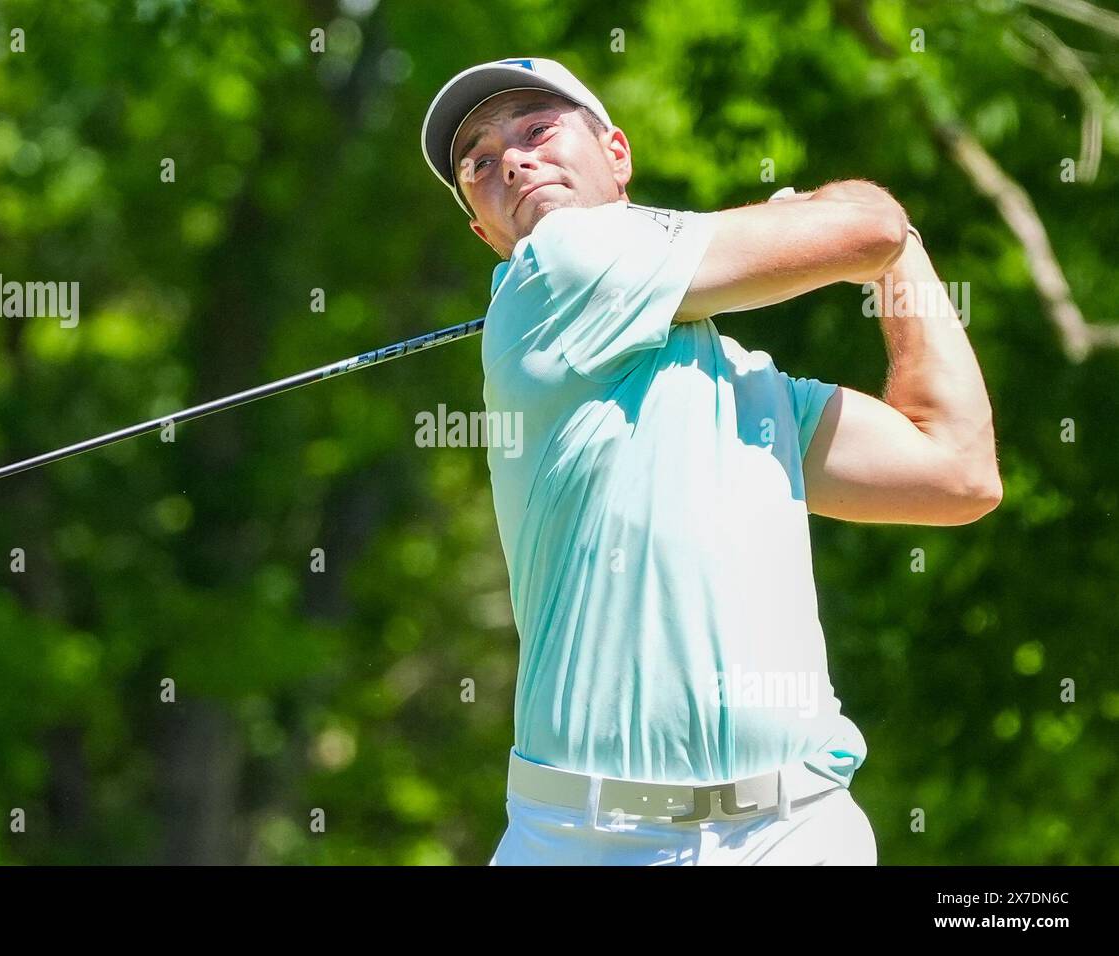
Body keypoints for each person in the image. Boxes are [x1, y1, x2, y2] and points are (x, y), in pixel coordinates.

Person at [421, 58, 1001, 865]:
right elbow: (866, 225)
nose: (512, 160)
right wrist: (868, 226)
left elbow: (959, 473)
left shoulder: (750, 390)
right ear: (487, 236)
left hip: (797, 827)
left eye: (538, 129)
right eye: (479, 163)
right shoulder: (556, 263)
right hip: (590, 843)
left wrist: (904, 255)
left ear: (617, 153)